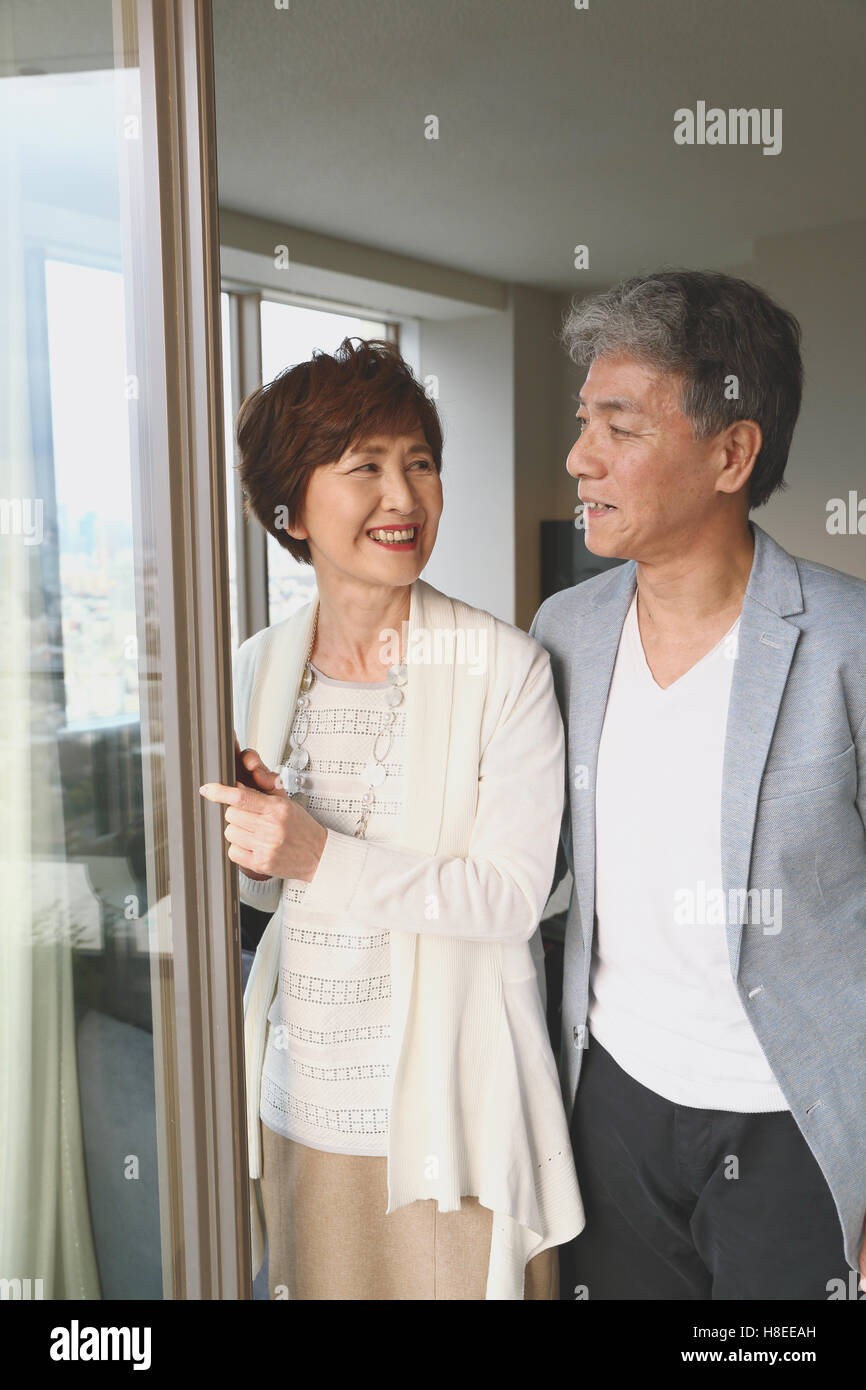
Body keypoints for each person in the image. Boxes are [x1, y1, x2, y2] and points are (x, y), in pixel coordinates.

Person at [200, 337, 584, 1300]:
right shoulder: (255, 669)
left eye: (419, 462)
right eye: (364, 466)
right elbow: (268, 895)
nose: (403, 496)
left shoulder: (505, 668)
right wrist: (261, 852)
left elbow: (510, 897)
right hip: (302, 1096)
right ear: (290, 510)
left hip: (452, 1116)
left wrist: (313, 851)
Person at [530, 269, 866, 1301]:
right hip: (611, 1109)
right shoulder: (562, 633)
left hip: (791, 1130)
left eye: (620, 426)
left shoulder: (847, 641)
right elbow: (516, 859)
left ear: (731, 454)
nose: (579, 457)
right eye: (583, 421)